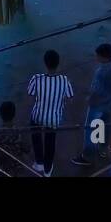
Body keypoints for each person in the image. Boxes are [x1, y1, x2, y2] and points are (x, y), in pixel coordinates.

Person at [72, 43, 111, 166]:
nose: (96, 57)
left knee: (90, 129)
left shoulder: (100, 72)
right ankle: (102, 149)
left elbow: (96, 91)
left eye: (98, 55)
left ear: (104, 57)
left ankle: (88, 156)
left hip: (97, 105)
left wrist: (89, 97)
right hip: (110, 102)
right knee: (104, 126)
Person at [27, 49, 74, 177]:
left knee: (36, 137)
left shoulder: (36, 78)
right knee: (50, 142)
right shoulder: (65, 80)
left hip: (37, 116)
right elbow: (70, 100)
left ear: (45, 63)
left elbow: (30, 98)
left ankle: (39, 162)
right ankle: (47, 169)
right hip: (53, 119)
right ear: (58, 63)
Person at [0, 101, 30, 177]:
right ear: (14, 115)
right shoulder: (20, 133)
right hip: (18, 169)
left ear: (0, 115)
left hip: (3, 169)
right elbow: (27, 149)